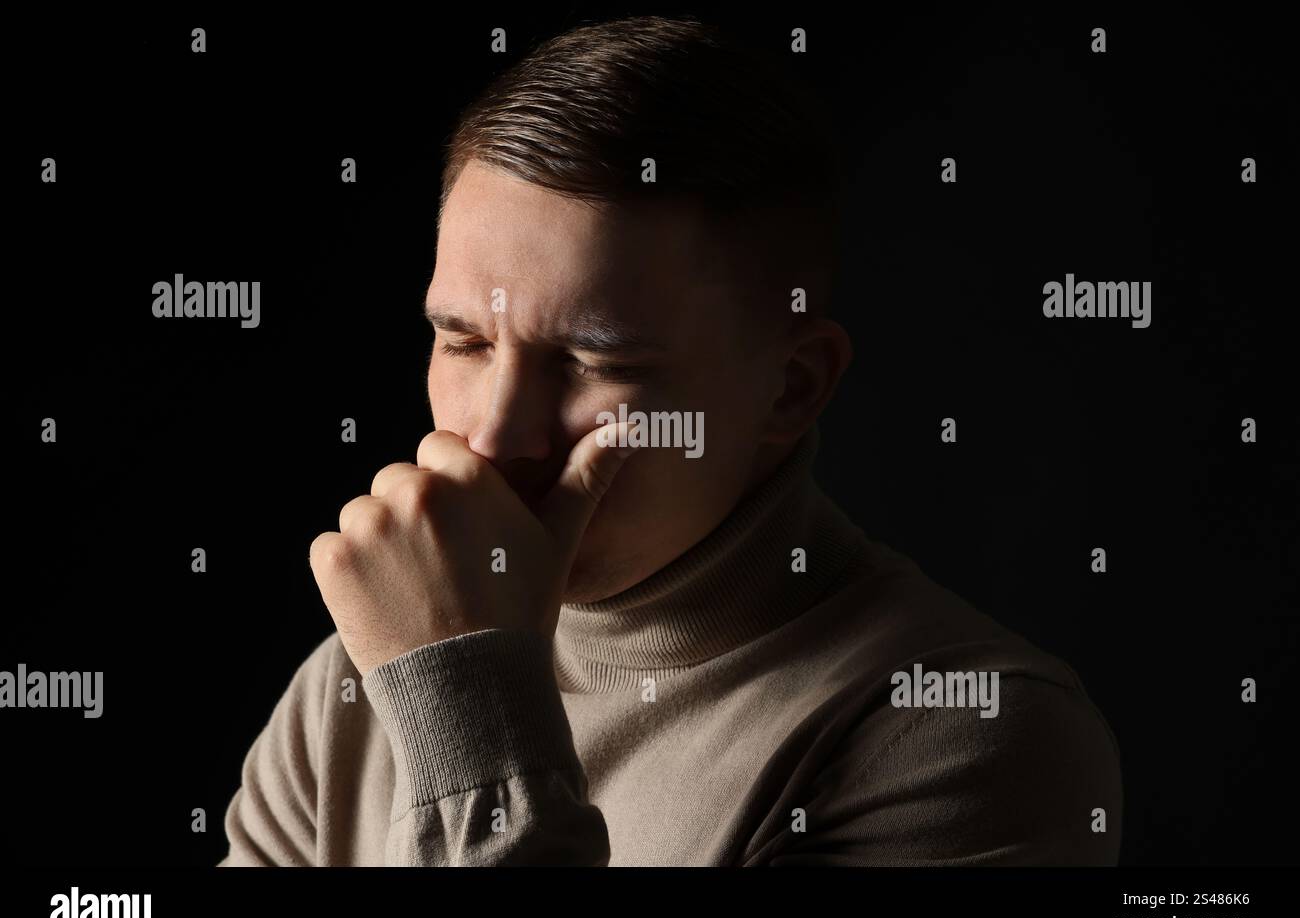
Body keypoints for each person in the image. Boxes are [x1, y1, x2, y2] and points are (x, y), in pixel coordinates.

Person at [219, 15, 1122, 866]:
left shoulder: (970, 737)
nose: (494, 434)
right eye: (464, 342)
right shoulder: (365, 672)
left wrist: (465, 714)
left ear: (793, 385)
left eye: (592, 363)